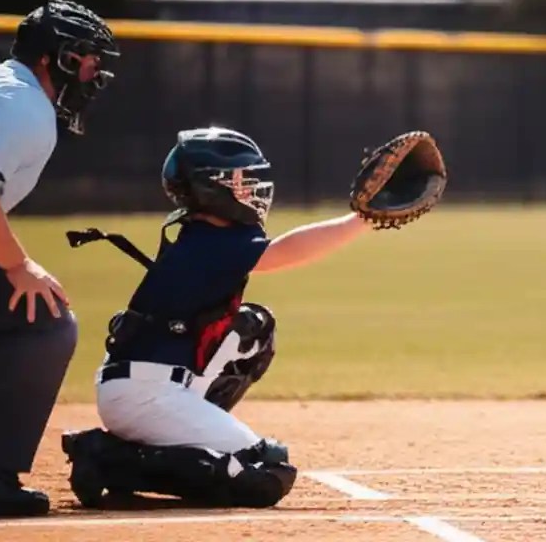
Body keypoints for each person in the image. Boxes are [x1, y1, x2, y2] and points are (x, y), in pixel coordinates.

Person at [61, 126, 378, 508]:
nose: (250, 188)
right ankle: (107, 459)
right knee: (265, 473)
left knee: (253, 330)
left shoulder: (204, 235)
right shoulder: (214, 241)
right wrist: (359, 221)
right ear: (212, 188)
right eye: (240, 180)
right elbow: (285, 253)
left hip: (148, 388)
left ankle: (133, 446)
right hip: (147, 396)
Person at [0, 0, 117, 517]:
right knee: (44, 321)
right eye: (86, 55)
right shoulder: (25, 107)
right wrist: (17, 264)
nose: (94, 69)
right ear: (54, 58)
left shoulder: (11, 91)